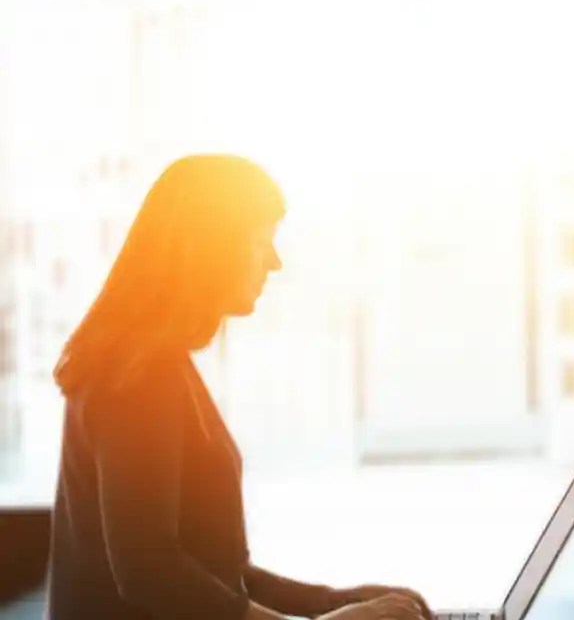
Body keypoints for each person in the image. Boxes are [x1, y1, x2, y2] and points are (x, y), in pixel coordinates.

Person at [45, 155, 431, 620]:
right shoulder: (139, 376)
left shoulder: (154, 365)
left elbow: (220, 574)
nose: (274, 261)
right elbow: (148, 570)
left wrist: (333, 602)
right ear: (213, 249)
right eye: (261, 241)